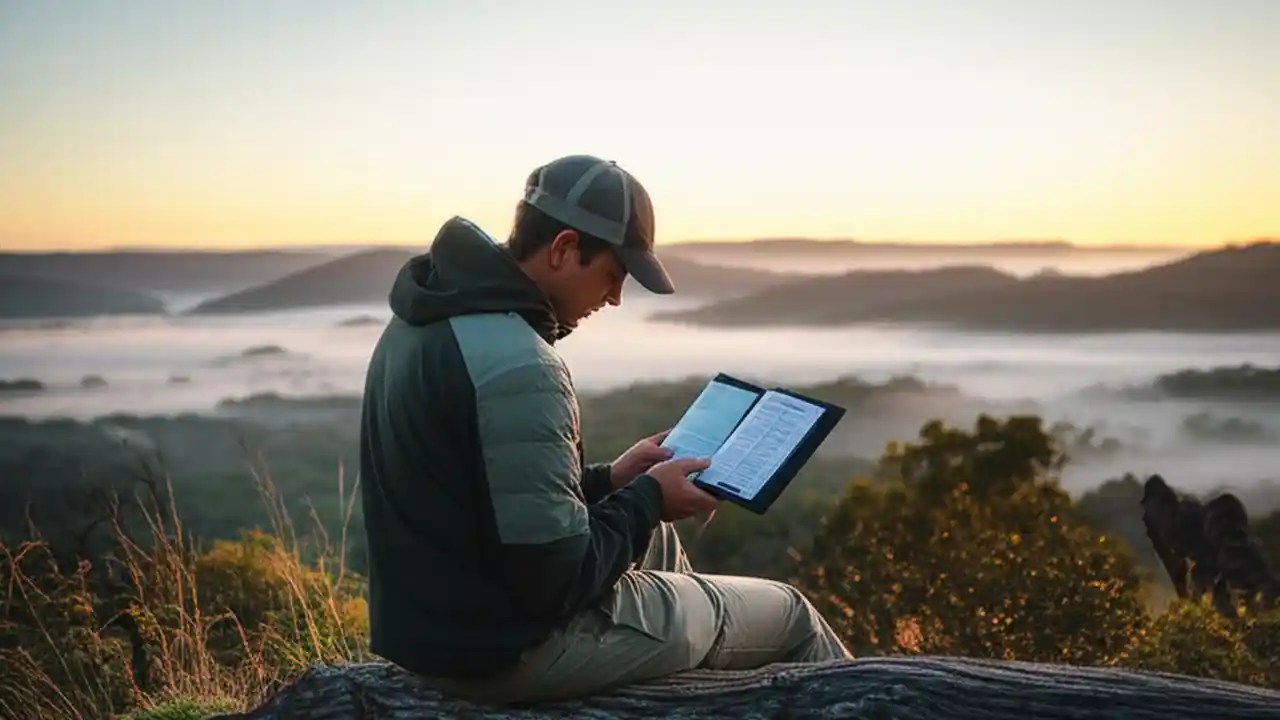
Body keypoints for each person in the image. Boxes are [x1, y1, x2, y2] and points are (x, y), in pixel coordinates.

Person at [359, 154, 850, 704]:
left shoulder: (422, 319)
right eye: (613, 275)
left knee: (656, 531)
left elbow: (480, 497)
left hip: (441, 631)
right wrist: (646, 498)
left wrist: (614, 479)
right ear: (565, 248)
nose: (615, 298)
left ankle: (699, 671)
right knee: (790, 612)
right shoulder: (520, 365)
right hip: (504, 651)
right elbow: (554, 581)